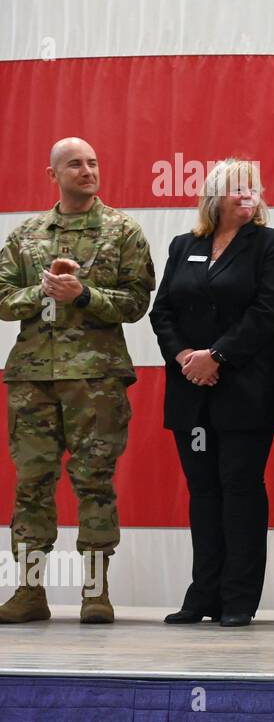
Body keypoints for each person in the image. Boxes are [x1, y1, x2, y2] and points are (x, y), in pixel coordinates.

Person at [0, 138, 155, 625]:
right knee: (31, 486)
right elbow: (3, 298)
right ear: (53, 174)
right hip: (32, 380)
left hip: (97, 379)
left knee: (94, 484)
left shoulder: (122, 230)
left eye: (93, 162)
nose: (87, 171)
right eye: (75, 164)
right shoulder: (25, 235)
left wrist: (84, 294)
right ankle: (28, 592)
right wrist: (42, 291)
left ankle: (95, 593)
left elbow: (136, 302)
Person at [149, 158, 274, 628]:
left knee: (240, 488)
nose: (248, 196)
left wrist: (218, 356)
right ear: (215, 194)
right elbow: (162, 312)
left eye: (253, 188)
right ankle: (202, 593)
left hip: (247, 389)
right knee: (203, 490)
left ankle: (237, 598)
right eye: (238, 189)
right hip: (192, 389)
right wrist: (186, 358)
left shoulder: (272, 244)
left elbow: (268, 310)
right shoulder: (183, 245)